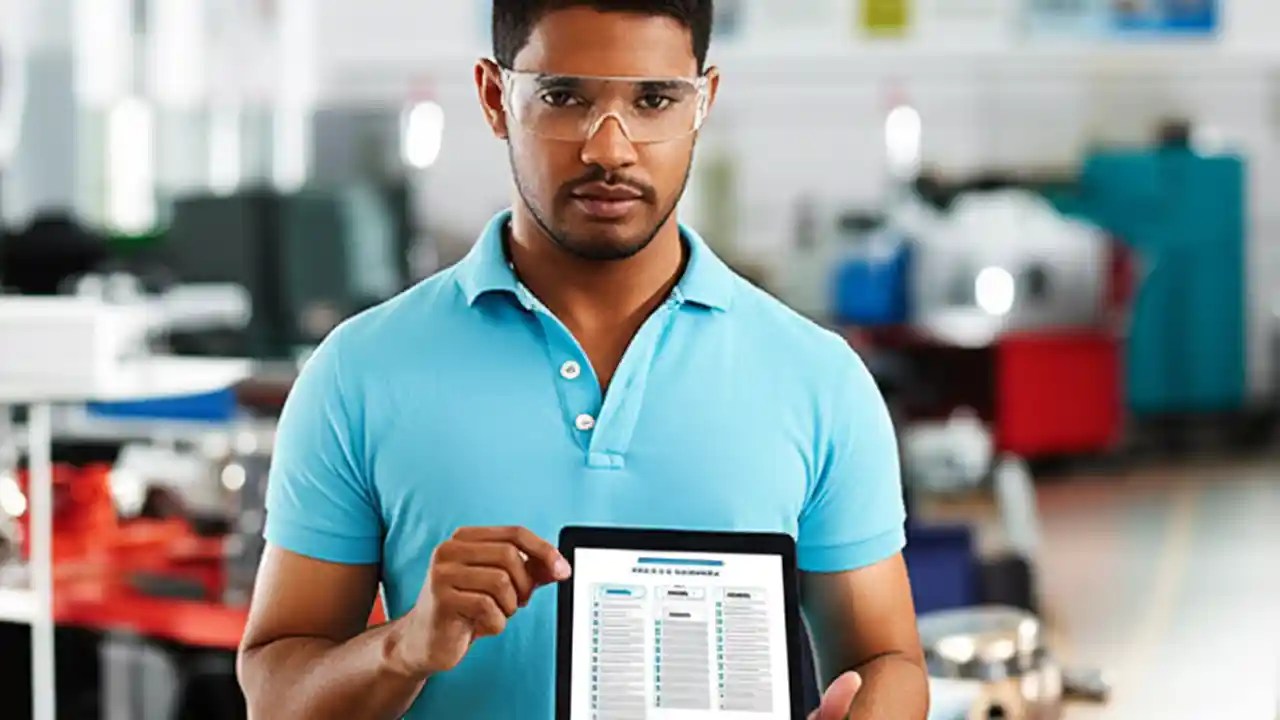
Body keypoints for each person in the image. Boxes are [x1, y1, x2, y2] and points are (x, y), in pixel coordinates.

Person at [236, 2, 929, 718]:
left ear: (703, 103)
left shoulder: (819, 380)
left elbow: (888, 661)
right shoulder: (358, 373)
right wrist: (404, 646)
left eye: (654, 100)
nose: (610, 149)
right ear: (494, 97)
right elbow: (274, 695)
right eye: (564, 97)